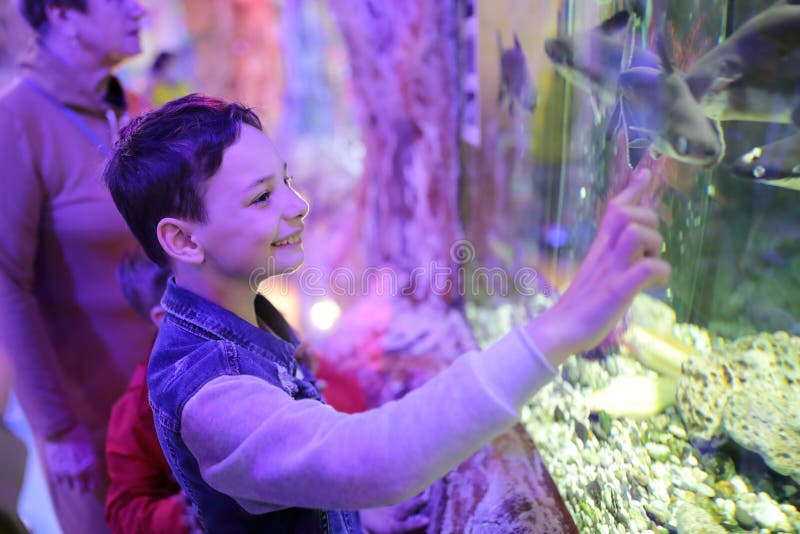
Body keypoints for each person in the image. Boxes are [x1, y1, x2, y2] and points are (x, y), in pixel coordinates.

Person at [104, 93, 670, 532]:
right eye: (261, 198)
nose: (298, 207)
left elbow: (297, 467)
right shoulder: (213, 396)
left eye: (287, 182)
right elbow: (377, 458)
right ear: (182, 240)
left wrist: (341, 504)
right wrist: (560, 328)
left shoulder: (236, 313)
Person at [0, 1, 155, 532]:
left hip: (168, 391)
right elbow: (6, 285)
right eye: (120, 0)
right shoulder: (16, 120)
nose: (141, 11)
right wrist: (57, 428)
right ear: (63, 14)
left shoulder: (131, 109)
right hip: (92, 419)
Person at [105, 249, 200, 534]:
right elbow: (123, 511)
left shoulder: (255, 333)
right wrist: (188, 513)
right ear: (164, 315)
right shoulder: (140, 408)